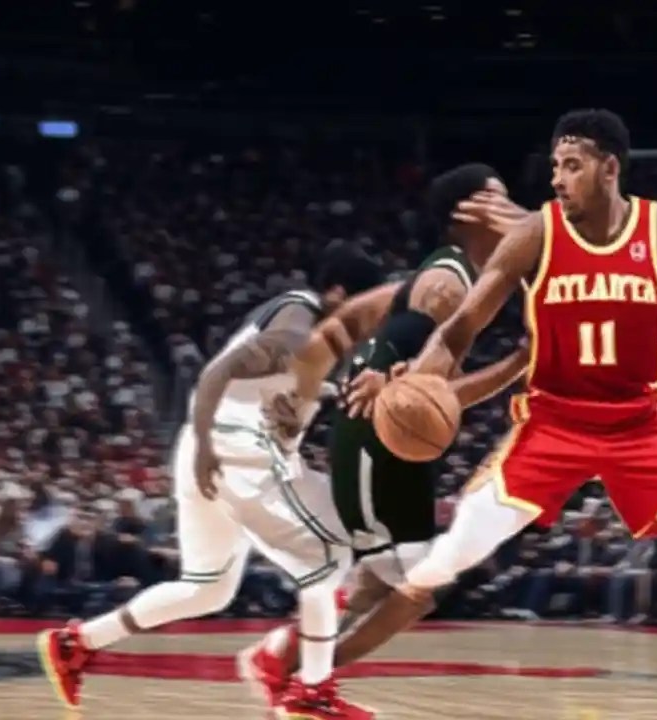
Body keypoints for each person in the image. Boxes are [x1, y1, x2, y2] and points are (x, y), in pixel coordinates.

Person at [346, 109, 657, 719]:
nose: (557, 178)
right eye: (554, 165)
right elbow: (459, 328)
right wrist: (415, 377)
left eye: (571, 165)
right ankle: (317, 674)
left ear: (610, 168)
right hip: (554, 424)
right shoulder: (536, 236)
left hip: (643, 428)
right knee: (451, 557)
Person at [36, 240, 393, 714]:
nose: (374, 316)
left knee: (209, 587)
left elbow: (275, 380)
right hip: (231, 447)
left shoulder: (318, 335)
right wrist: (206, 444)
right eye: (369, 303)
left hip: (224, 449)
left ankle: (76, 642)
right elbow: (217, 371)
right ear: (337, 292)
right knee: (329, 552)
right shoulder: (299, 318)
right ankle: (308, 688)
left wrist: (335, 392)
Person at [240, 163, 532, 719]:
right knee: (420, 587)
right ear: (466, 213)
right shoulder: (448, 285)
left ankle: (284, 661)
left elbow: (418, 383)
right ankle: (302, 681)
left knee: (381, 583)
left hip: (383, 443)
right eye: (498, 199)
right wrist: (515, 364)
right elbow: (419, 392)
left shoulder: (460, 279)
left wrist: (518, 363)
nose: (511, 209)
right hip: (377, 442)